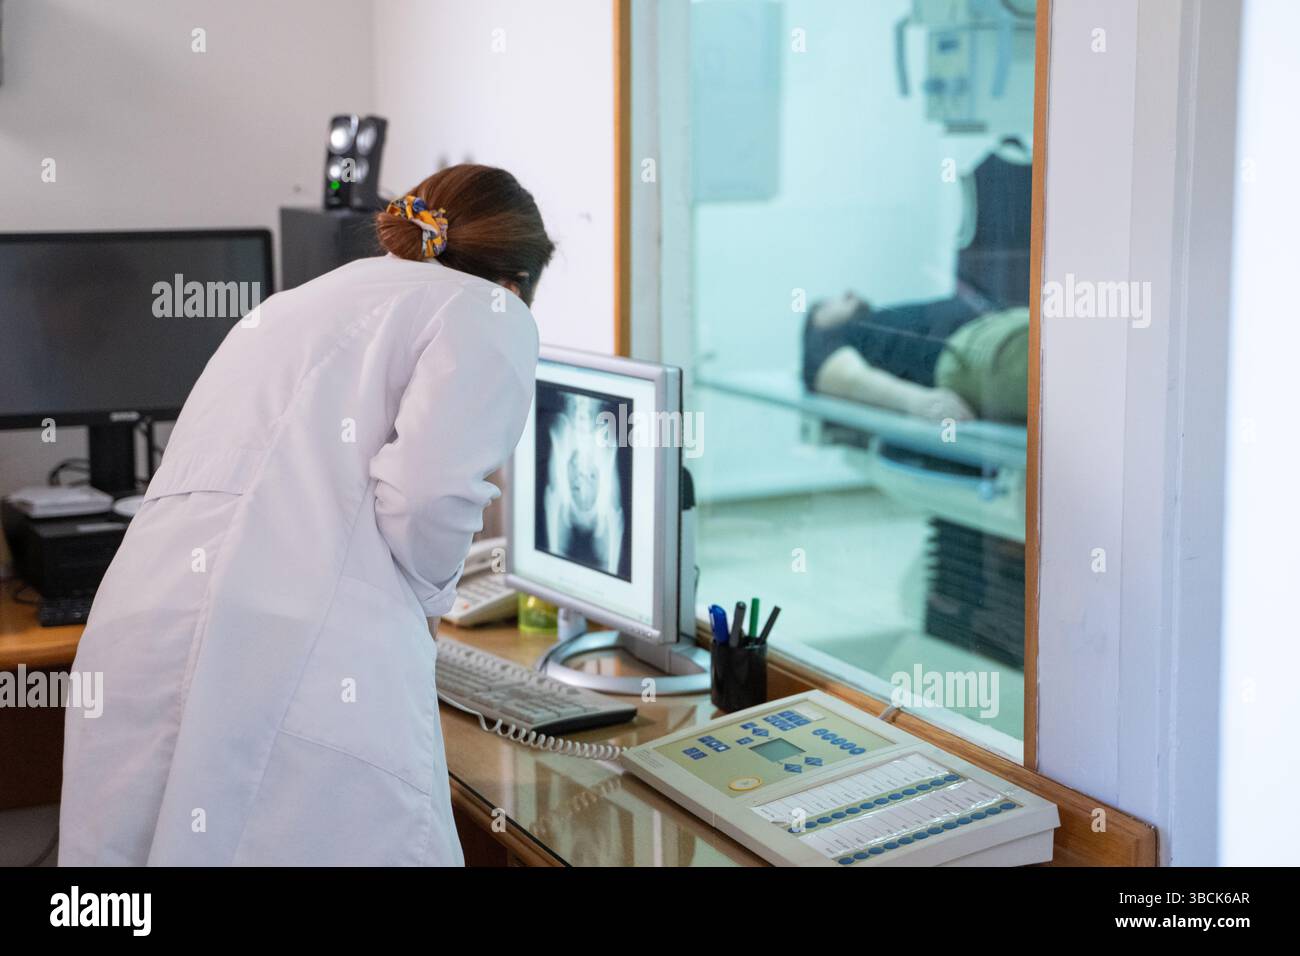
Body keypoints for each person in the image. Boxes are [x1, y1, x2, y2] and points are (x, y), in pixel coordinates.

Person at [59, 164, 554, 865]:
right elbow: (431, 494)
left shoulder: (299, 302)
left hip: (140, 625)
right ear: (517, 278)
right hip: (289, 647)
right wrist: (423, 606)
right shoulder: (489, 311)